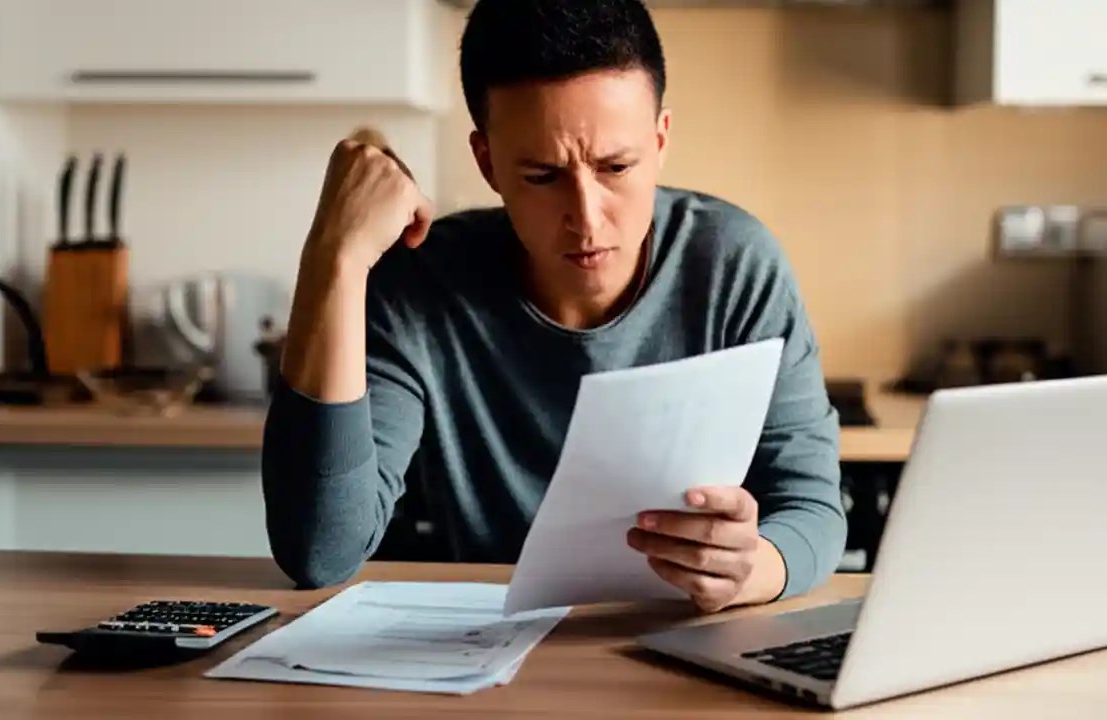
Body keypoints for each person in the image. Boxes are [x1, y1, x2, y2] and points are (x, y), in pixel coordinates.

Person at [262, 0, 847, 614]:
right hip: (478, 653)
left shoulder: (734, 264)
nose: (587, 221)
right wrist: (336, 258)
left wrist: (757, 566)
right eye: (542, 176)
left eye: (616, 167)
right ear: (487, 161)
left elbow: (812, 508)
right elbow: (320, 553)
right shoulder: (421, 285)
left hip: (679, 646)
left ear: (661, 139)